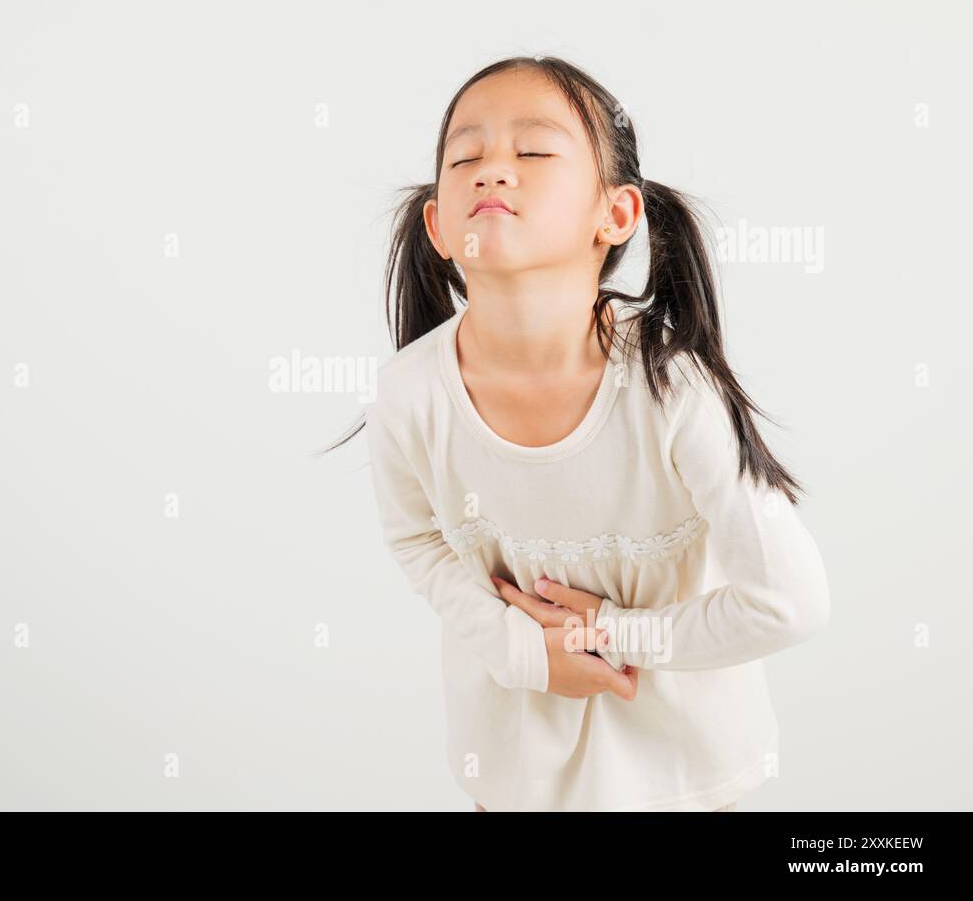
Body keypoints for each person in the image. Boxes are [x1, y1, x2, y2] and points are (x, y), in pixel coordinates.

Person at [327, 56, 830, 811]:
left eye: (532, 152)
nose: (493, 171)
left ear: (617, 214)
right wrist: (523, 653)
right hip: (514, 773)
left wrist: (616, 635)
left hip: (684, 779)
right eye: (466, 157)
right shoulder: (407, 393)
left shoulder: (672, 388)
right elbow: (418, 544)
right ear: (437, 225)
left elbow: (789, 602)